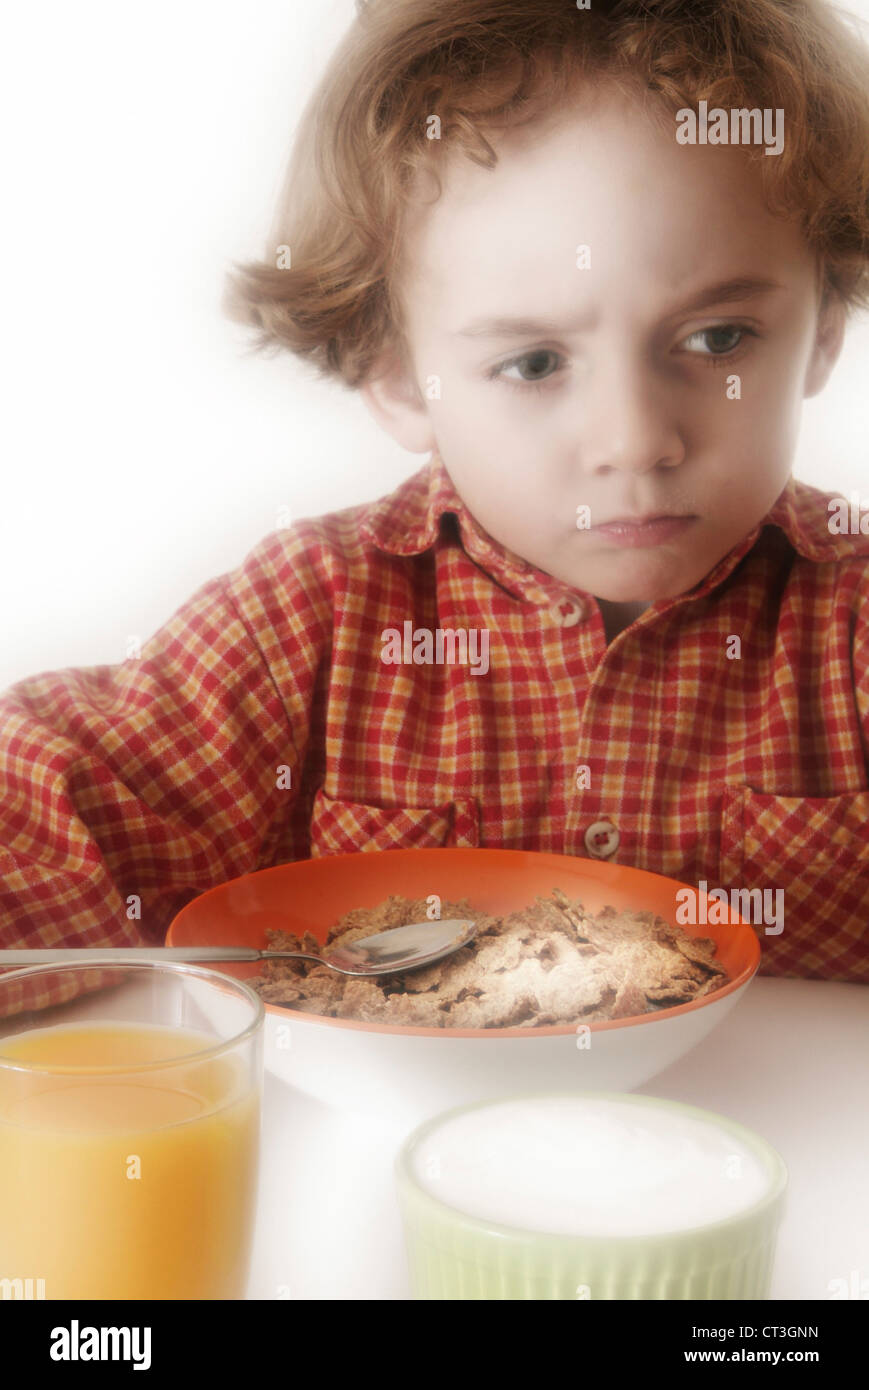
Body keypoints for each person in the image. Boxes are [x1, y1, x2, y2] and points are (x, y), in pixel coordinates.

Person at [1, 0, 868, 985]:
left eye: (716, 338)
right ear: (397, 376)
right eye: (535, 361)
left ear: (824, 325)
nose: (635, 440)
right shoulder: (312, 622)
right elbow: (53, 813)